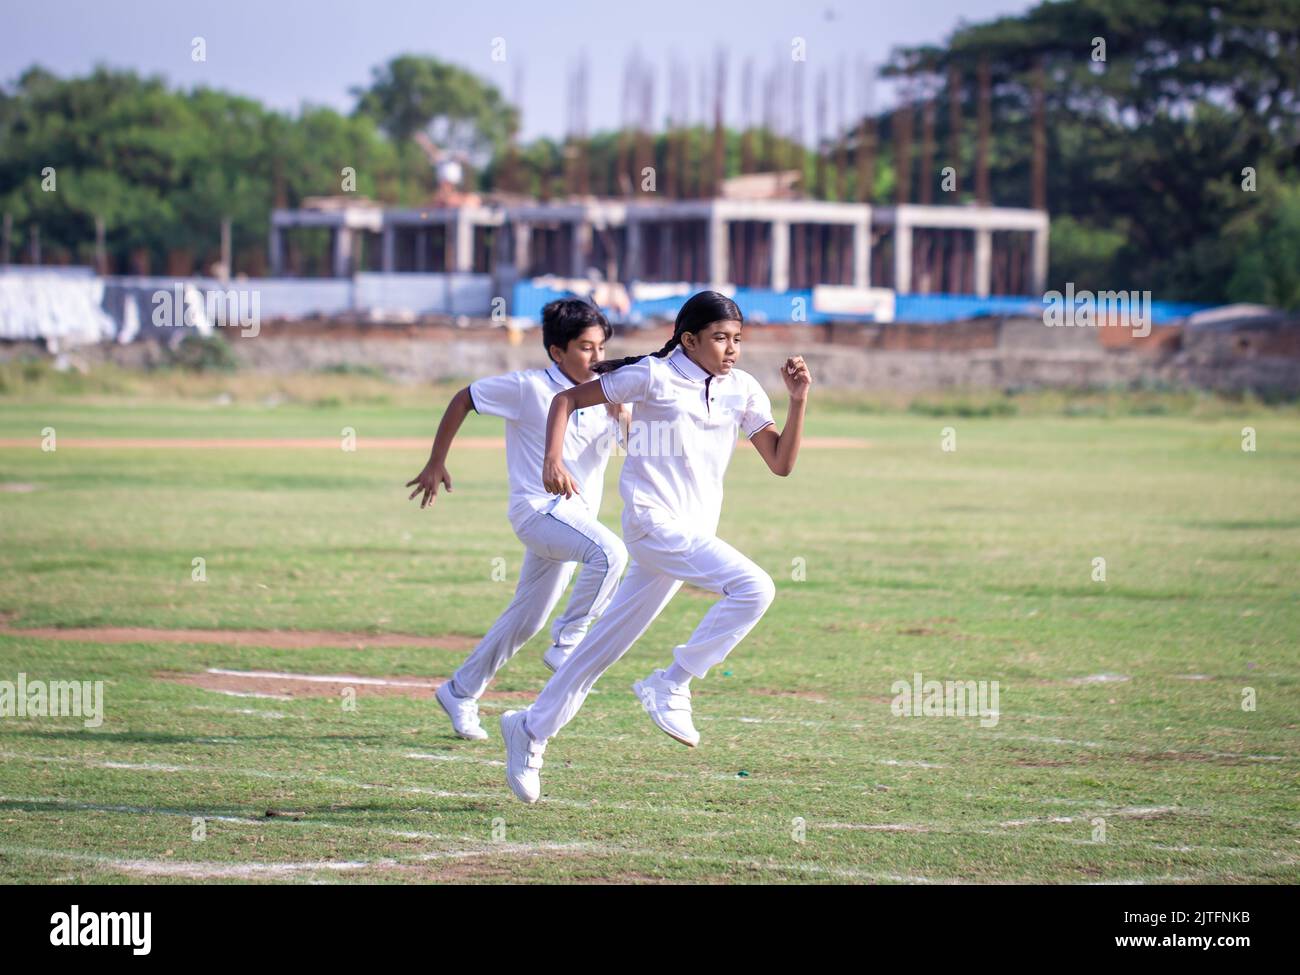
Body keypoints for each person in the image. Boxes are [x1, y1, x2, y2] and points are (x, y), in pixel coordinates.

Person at [500, 290, 812, 801]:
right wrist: (552, 460)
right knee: (754, 587)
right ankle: (672, 680)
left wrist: (798, 400)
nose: (731, 348)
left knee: (599, 651)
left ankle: (530, 728)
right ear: (689, 340)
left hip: (688, 534)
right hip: (651, 524)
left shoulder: (745, 390)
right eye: (719, 338)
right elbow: (566, 400)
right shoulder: (653, 375)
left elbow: (780, 461)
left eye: (737, 339)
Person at [406, 298, 630, 741]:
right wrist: (436, 461)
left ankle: (460, 690)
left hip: (571, 522)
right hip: (538, 511)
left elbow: (633, 446)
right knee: (611, 554)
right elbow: (464, 398)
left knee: (526, 619)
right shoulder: (529, 387)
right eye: (586, 348)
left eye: (602, 348)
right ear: (557, 352)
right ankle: (569, 640)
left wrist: (622, 414)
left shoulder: (606, 395)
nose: (597, 358)